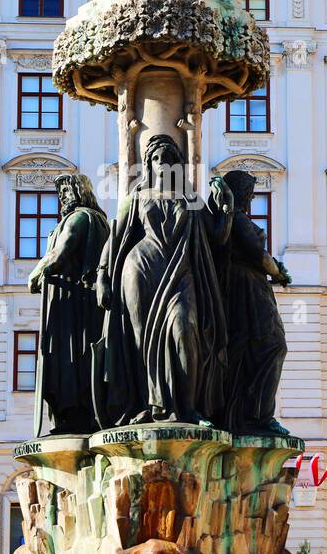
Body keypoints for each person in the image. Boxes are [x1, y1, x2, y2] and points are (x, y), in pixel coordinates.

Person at [94, 134, 232, 426]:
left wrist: (227, 207)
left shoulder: (190, 199)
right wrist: (102, 277)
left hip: (180, 271)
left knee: (185, 329)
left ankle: (187, 409)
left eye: (169, 157)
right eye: (156, 158)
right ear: (148, 164)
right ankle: (146, 405)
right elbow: (114, 238)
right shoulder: (137, 197)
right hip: (140, 270)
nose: (163, 163)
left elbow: (218, 236)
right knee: (140, 340)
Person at [29, 172, 109, 436]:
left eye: (67, 190)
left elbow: (60, 254)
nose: (62, 197)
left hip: (72, 302)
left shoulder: (80, 217)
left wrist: (37, 272)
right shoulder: (98, 221)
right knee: (77, 359)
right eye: (60, 193)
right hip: (81, 302)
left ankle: (74, 414)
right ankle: (80, 411)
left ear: (81, 191)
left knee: (68, 358)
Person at [219, 170, 291, 436]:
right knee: (272, 345)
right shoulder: (237, 220)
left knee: (252, 349)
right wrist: (278, 272)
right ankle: (258, 416)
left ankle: (249, 414)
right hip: (248, 289)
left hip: (246, 286)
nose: (251, 201)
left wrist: (274, 268)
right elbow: (257, 253)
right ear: (239, 194)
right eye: (249, 195)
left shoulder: (231, 220)